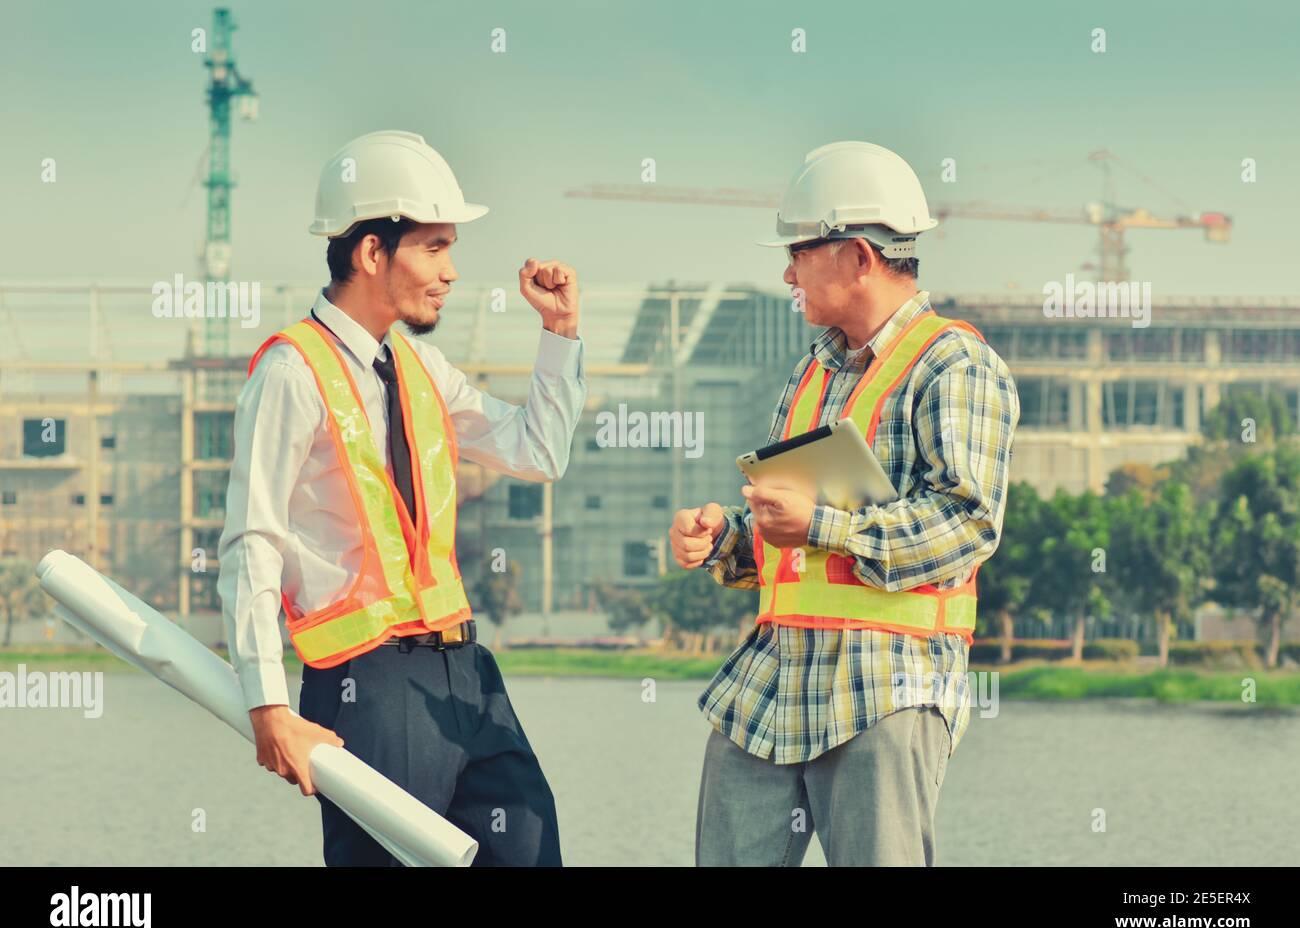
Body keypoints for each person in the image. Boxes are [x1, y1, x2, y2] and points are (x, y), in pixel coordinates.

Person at [217, 130, 587, 866]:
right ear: (371, 254)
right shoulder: (291, 373)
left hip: (466, 675)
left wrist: (560, 333)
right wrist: (268, 706)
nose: (451, 272)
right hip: (366, 684)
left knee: (532, 851)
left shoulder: (420, 365)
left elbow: (537, 452)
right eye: (435, 247)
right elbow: (251, 538)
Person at [671, 141, 1020, 866]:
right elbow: (793, 527)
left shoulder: (955, 365)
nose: (788, 271)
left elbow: (968, 520)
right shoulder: (813, 370)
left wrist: (822, 525)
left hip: (883, 686)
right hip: (771, 682)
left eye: (801, 250)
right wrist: (728, 538)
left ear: (859, 257)